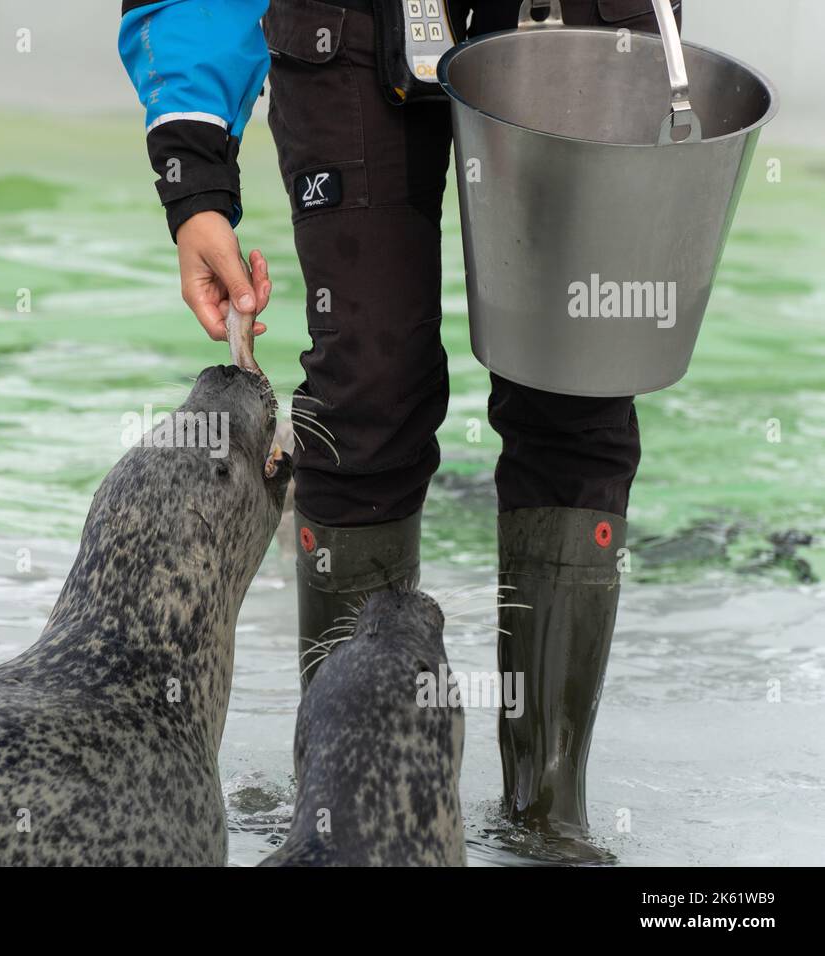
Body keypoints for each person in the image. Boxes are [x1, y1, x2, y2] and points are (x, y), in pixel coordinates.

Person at [119, 0, 680, 847]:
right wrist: (192, 174)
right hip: (346, 24)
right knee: (364, 399)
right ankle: (340, 818)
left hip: (578, 20)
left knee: (578, 389)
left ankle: (548, 822)